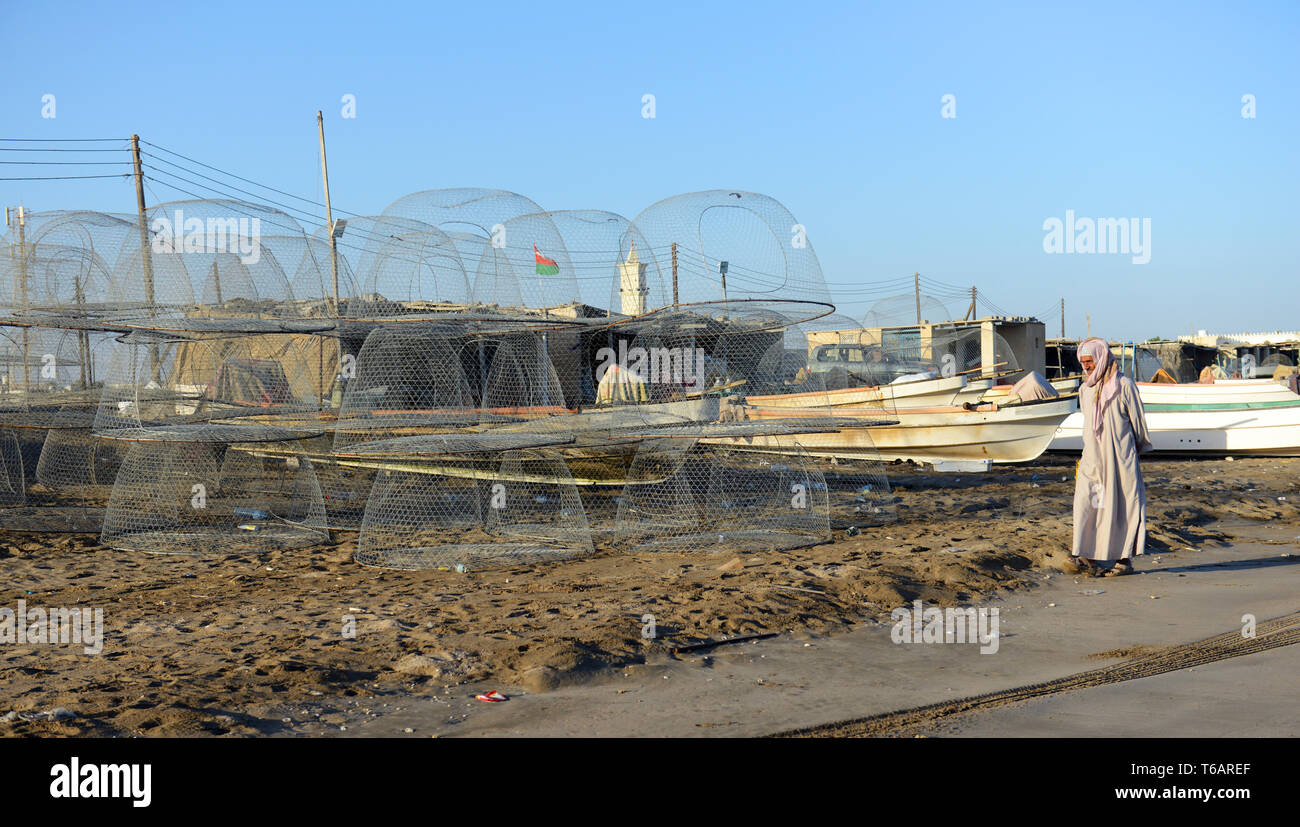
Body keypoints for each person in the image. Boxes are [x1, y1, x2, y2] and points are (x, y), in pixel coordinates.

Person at [1069, 338, 1152, 576]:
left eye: (1090, 361)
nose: (1086, 367)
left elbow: (1138, 422)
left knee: (1122, 506)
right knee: (1089, 503)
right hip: (1092, 459)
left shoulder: (1124, 385)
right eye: (1083, 362)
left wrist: (1137, 448)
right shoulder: (1085, 389)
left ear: (1101, 358)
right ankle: (1087, 555)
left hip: (1120, 459)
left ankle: (1124, 560)